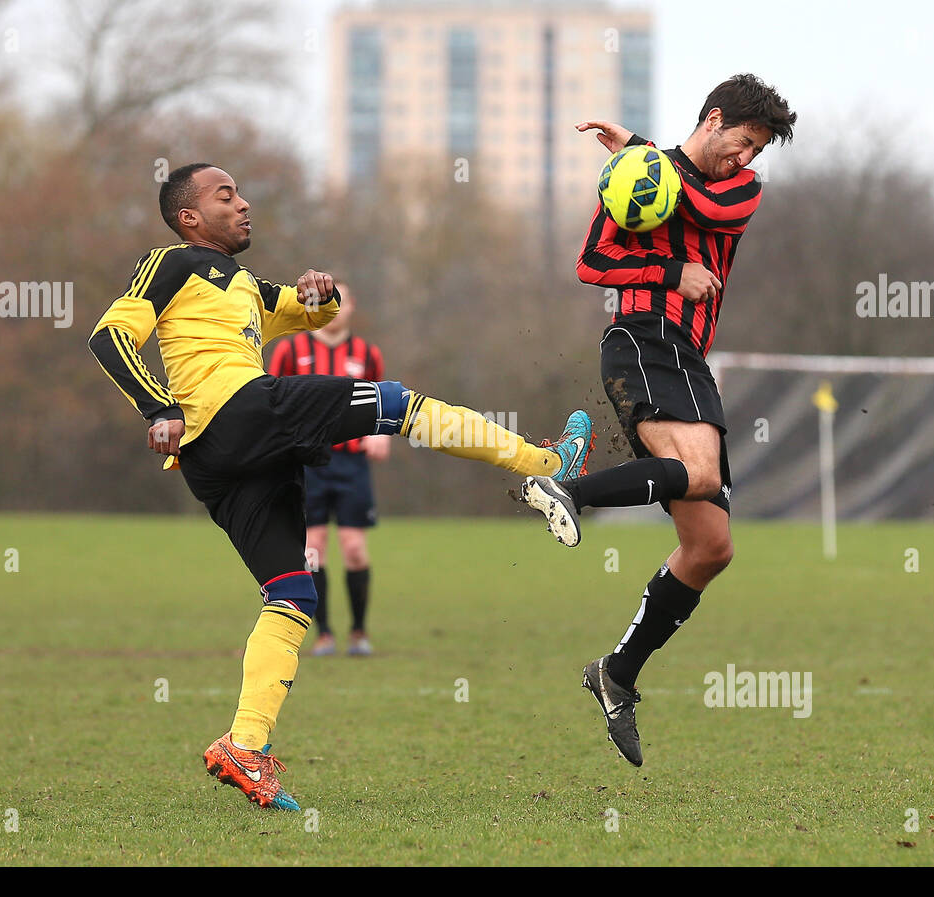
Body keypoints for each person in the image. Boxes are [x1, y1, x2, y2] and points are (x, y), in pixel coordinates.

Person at [88, 163, 593, 810]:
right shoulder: (170, 263)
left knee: (292, 594)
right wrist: (157, 407)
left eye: (240, 192)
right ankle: (545, 467)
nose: (243, 204)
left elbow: (298, 314)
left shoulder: (239, 282)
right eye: (226, 196)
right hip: (236, 411)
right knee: (393, 402)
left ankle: (246, 744)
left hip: (218, 457)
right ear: (189, 217)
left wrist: (319, 295)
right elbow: (110, 335)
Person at [518, 75, 796, 767]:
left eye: (757, 149)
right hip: (642, 340)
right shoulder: (635, 178)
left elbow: (695, 196)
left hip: (685, 355)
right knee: (699, 473)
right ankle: (563, 486)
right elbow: (592, 262)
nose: (746, 157)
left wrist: (641, 151)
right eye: (743, 140)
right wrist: (672, 273)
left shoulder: (740, 189)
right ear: (715, 117)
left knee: (710, 548)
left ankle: (616, 674)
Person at [268, 281, 388, 657]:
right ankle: (323, 634)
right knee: (313, 548)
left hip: (350, 463)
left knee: (353, 549)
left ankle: (358, 632)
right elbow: (269, 399)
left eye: (341, 300)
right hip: (306, 461)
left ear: (351, 306)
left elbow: (382, 400)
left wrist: (382, 434)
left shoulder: (367, 353)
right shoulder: (291, 349)